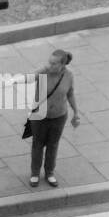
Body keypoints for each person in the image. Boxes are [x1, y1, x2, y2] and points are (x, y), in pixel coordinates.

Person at [29, 49, 81, 187]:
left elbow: (70, 94)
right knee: (37, 145)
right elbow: (29, 78)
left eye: (54, 64)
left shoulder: (69, 76)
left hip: (59, 116)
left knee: (53, 145)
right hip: (39, 115)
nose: (50, 66)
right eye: (49, 62)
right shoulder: (43, 72)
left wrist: (76, 112)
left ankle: (49, 173)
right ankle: (35, 173)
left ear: (62, 65)